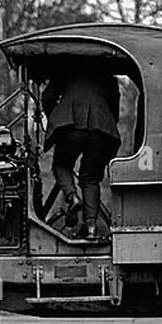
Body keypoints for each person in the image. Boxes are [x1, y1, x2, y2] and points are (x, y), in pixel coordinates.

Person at [41, 63, 122, 240]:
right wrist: (104, 122)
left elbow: (48, 97)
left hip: (70, 124)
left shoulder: (65, 68)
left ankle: (72, 198)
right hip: (101, 127)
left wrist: (56, 117)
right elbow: (114, 105)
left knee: (61, 165)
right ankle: (91, 227)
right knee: (91, 178)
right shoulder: (107, 74)